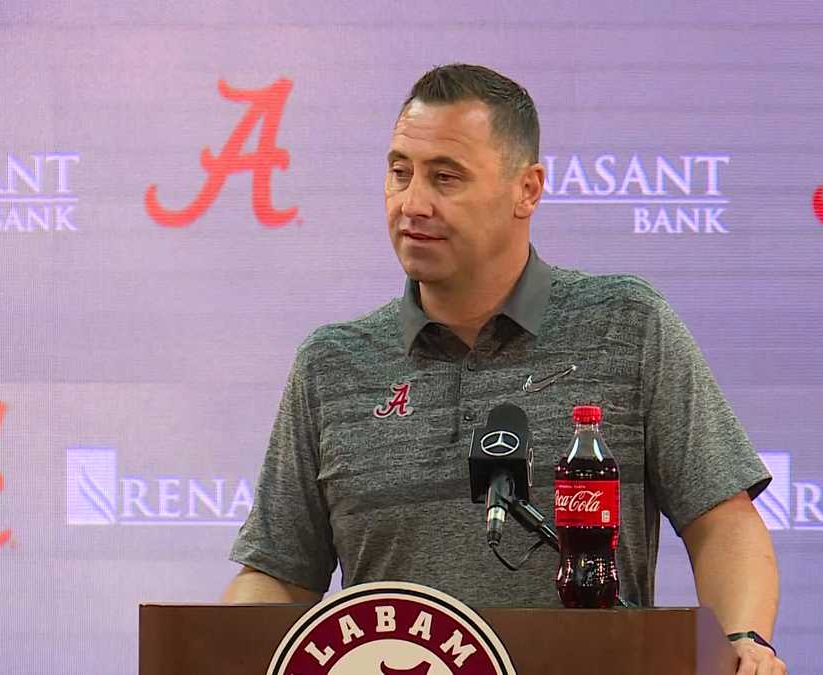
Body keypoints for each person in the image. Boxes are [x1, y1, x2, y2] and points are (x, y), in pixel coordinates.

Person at [224, 64, 786, 674]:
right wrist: (209, 649)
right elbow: (280, 576)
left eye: (446, 177)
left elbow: (723, 524)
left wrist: (745, 638)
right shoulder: (332, 364)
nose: (413, 202)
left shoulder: (625, 324)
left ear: (528, 189)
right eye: (399, 173)